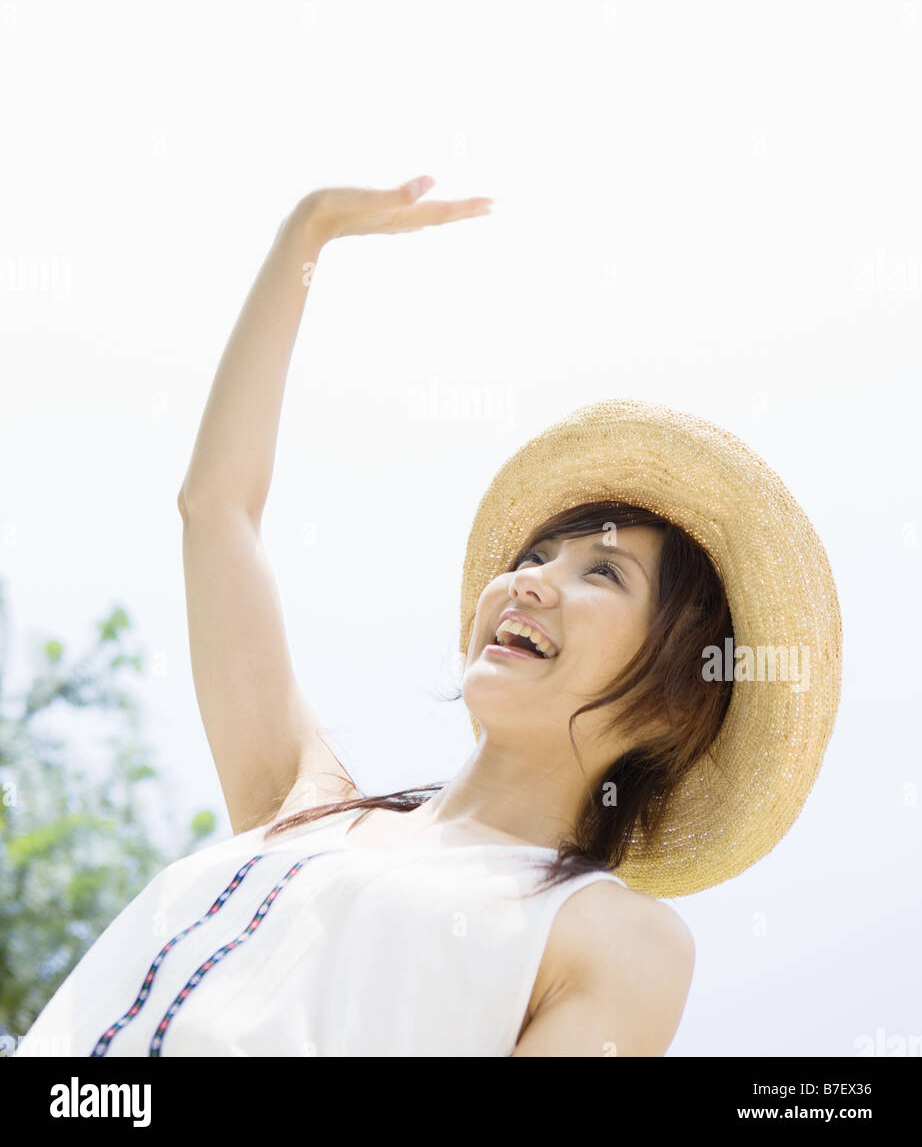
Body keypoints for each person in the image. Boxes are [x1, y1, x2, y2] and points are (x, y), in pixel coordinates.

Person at [15, 178, 841, 1058]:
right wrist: (308, 234)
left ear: (676, 700)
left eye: (601, 571)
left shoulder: (608, 938)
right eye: (530, 559)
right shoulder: (304, 804)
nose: (526, 583)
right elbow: (216, 509)